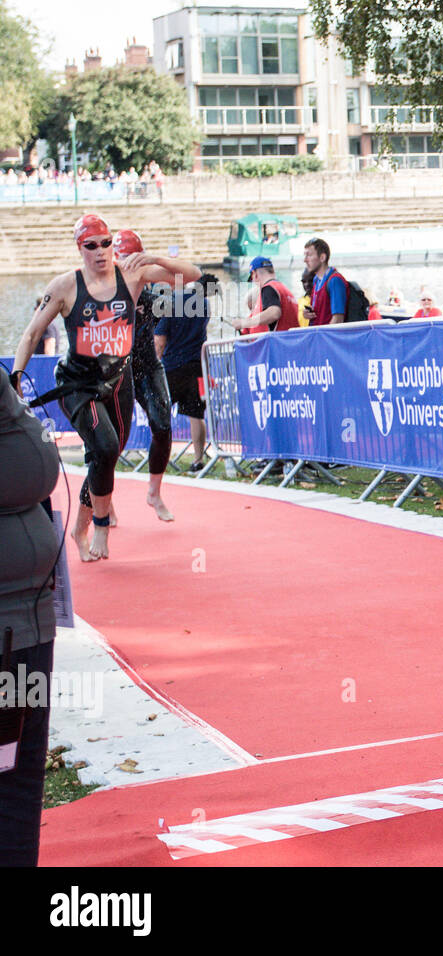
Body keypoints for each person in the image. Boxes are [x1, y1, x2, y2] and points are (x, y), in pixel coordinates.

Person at [9, 214, 199, 561]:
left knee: (106, 457)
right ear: (79, 249)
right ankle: (99, 527)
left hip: (118, 381)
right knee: (107, 446)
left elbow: (193, 277)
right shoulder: (65, 286)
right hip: (77, 383)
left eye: (106, 243)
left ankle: (79, 526)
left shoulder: (133, 275)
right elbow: (32, 333)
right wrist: (16, 378)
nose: (100, 251)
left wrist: (154, 258)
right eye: (91, 246)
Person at [0, 371, 61, 865]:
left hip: (22, 621)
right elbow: (35, 466)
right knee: (14, 778)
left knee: (15, 773)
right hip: (13, 626)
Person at [114, 229, 194, 522]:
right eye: (124, 261)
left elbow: (191, 277)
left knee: (162, 427)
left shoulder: (150, 294)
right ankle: (102, 498)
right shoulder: (101, 291)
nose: (129, 268)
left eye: (135, 261)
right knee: (111, 438)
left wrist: (156, 260)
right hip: (116, 368)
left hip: (147, 365)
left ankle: (154, 491)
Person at [154, 272, 219, 474]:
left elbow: (160, 340)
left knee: (159, 414)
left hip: (172, 366)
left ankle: (159, 458)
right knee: (195, 414)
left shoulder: (173, 301)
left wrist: (154, 362)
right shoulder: (205, 305)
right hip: (195, 365)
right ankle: (198, 460)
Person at [235, 256, 300, 334]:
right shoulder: (284, 289)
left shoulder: (268, 288)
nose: (255, 283)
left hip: (278, 343)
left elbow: (274, 313)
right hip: (290, 341)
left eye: (252, 279)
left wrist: (244, 323)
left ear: (254, 274)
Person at [301, 238, 347, 325]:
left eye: (309, 255)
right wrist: (307, 314)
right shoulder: (316, 280)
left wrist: (324, 337)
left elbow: (338, 319)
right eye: (305, 255)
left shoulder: (335, 280)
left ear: (322, 257)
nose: (305, 260)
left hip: (326, 337)